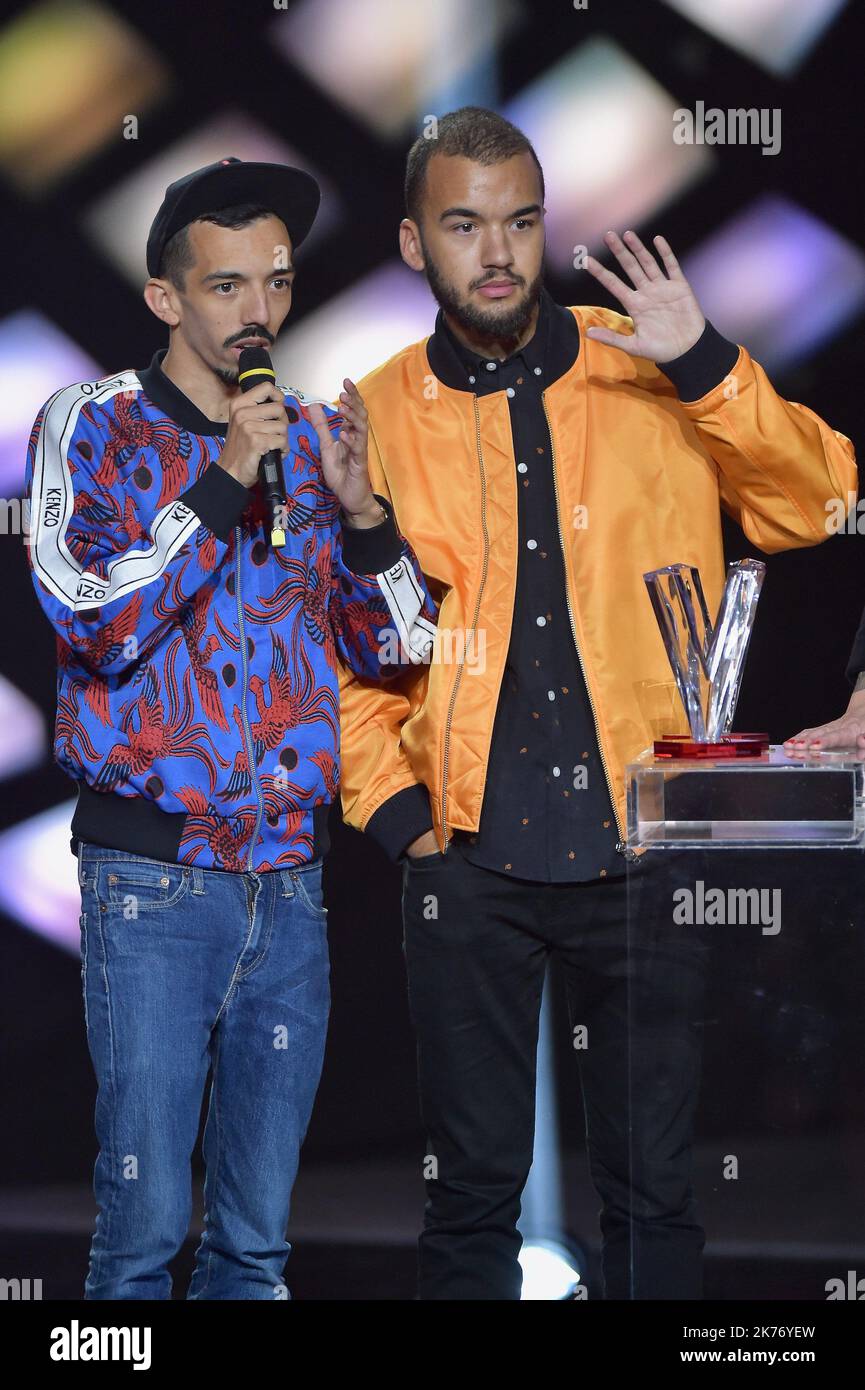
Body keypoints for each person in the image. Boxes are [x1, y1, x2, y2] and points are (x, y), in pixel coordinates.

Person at [336, 107, 857, 1299]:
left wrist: (707, 362)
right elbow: (340, 649)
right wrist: (399, 811)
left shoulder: (651, 363)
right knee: (467, 1202)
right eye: (463, 225)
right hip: (465, 849)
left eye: (520, 220)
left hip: (642, 838)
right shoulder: (371, 411)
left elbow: (820, 505)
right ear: (414, 243)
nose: (498, 251)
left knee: (655, 1193)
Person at [22, 156, 436, 1300]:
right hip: (153, 885)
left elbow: (402, 646)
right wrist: (221, 479)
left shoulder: (311, 438)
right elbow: (92, 620)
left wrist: (362, 518)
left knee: (255, 1242)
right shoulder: (90, 424)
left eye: (276, 282)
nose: (257, 312)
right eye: (224, 287)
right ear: (166, 298)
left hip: (291, 882)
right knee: (147, 1228)